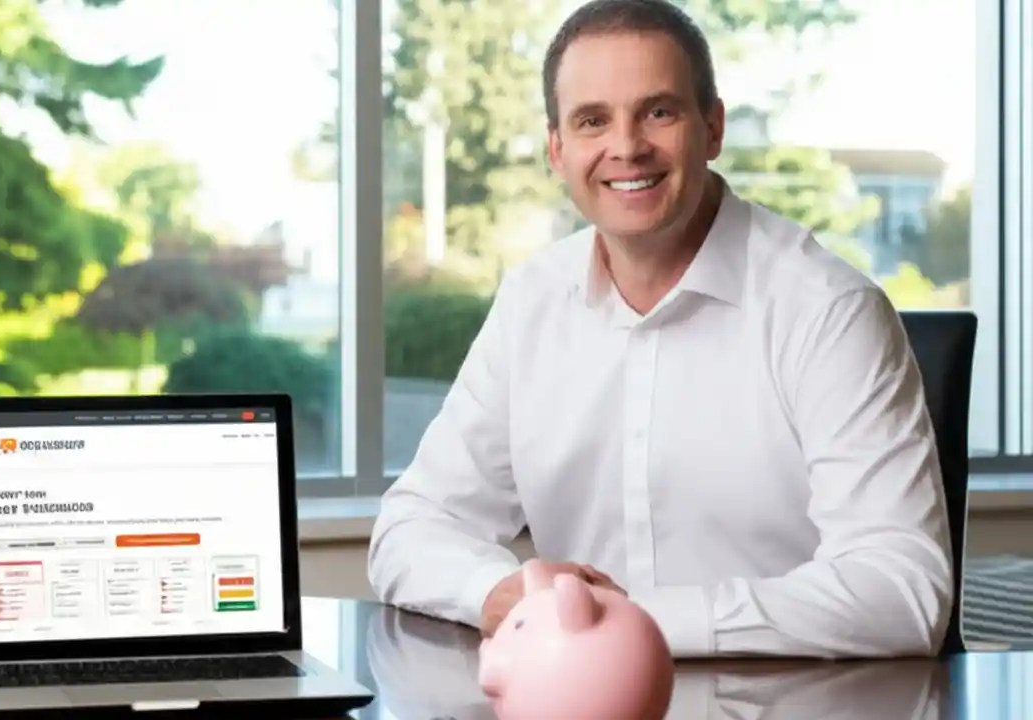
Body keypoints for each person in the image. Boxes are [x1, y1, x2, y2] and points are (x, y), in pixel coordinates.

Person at [366, 0, 952, 659]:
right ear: (558, 150)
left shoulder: (827, 310)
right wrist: (500, 591)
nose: (627, 146)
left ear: (712, 127)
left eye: (659, 112)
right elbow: (408, 529)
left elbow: (903, 589)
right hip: (580, 696)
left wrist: (630, 621)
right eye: (592, 120)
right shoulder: (532, 302)